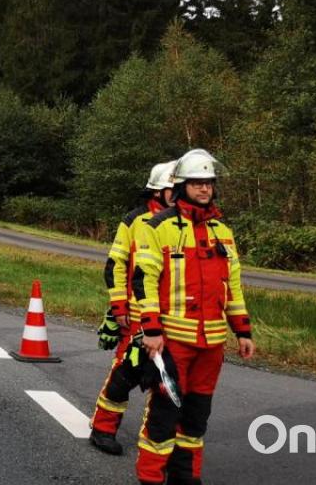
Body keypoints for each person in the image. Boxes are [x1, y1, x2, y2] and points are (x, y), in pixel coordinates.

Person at [134, 149, 254, 485]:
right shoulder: (159, 227)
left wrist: (243, 331)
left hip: (212, 344)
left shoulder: (223, 233)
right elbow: (144, 280)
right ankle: (151, 477)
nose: (204, 189)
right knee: (163, 415)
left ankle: (186, 476)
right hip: (172, 343)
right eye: (197, 183)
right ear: (183, 185)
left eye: (209, 184)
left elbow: (233, 287)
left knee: (196, 417)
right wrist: (151, 330)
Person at [88, 160, 176, 455]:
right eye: (171, 189)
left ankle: (156, 442)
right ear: (157, 190)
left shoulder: (185, 225)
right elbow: (115, 265)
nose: (177, 195)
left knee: (165, 385)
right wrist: (118, 306)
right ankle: (103, 428)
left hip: (173, 321)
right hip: (136, 317)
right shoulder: (135, 220)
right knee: (125, 376)